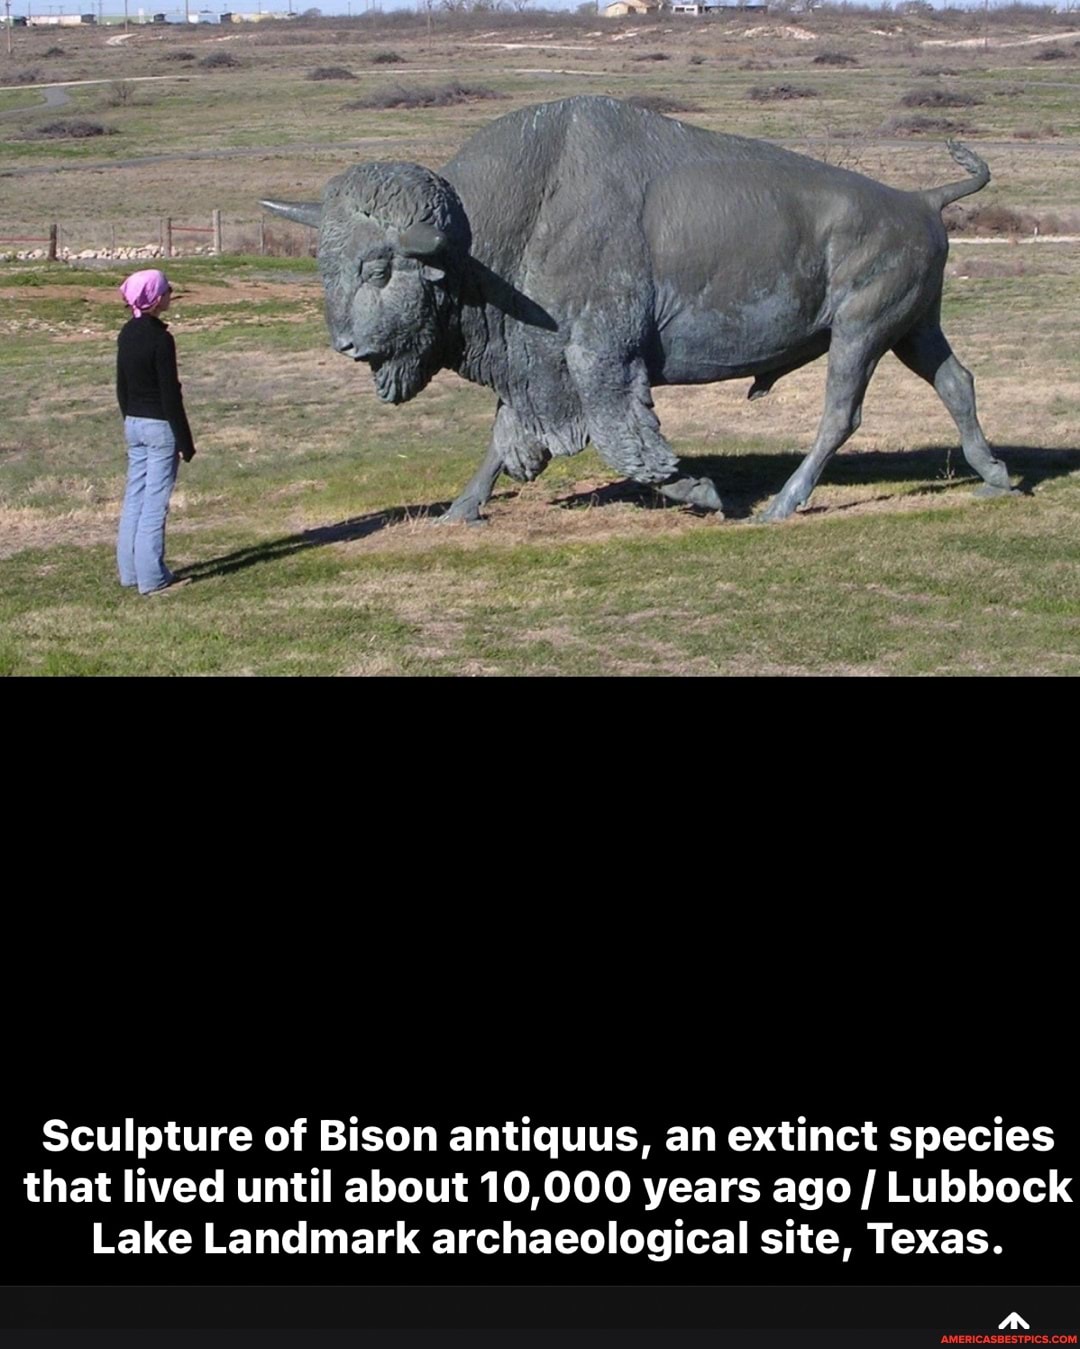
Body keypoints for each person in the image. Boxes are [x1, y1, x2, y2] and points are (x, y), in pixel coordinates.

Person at [115, 268, 196, 595]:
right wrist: (185, 441)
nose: (170, 293)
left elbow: (121, 386)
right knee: (154, 503)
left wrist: (128, 420)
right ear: (155, 299)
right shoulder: (162, 339)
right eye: (166, 290)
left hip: (134, 423)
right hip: (159, 427)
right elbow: (170, 394)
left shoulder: (126, 334)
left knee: (134, 497)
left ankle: (130, 572)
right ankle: (153, 578)